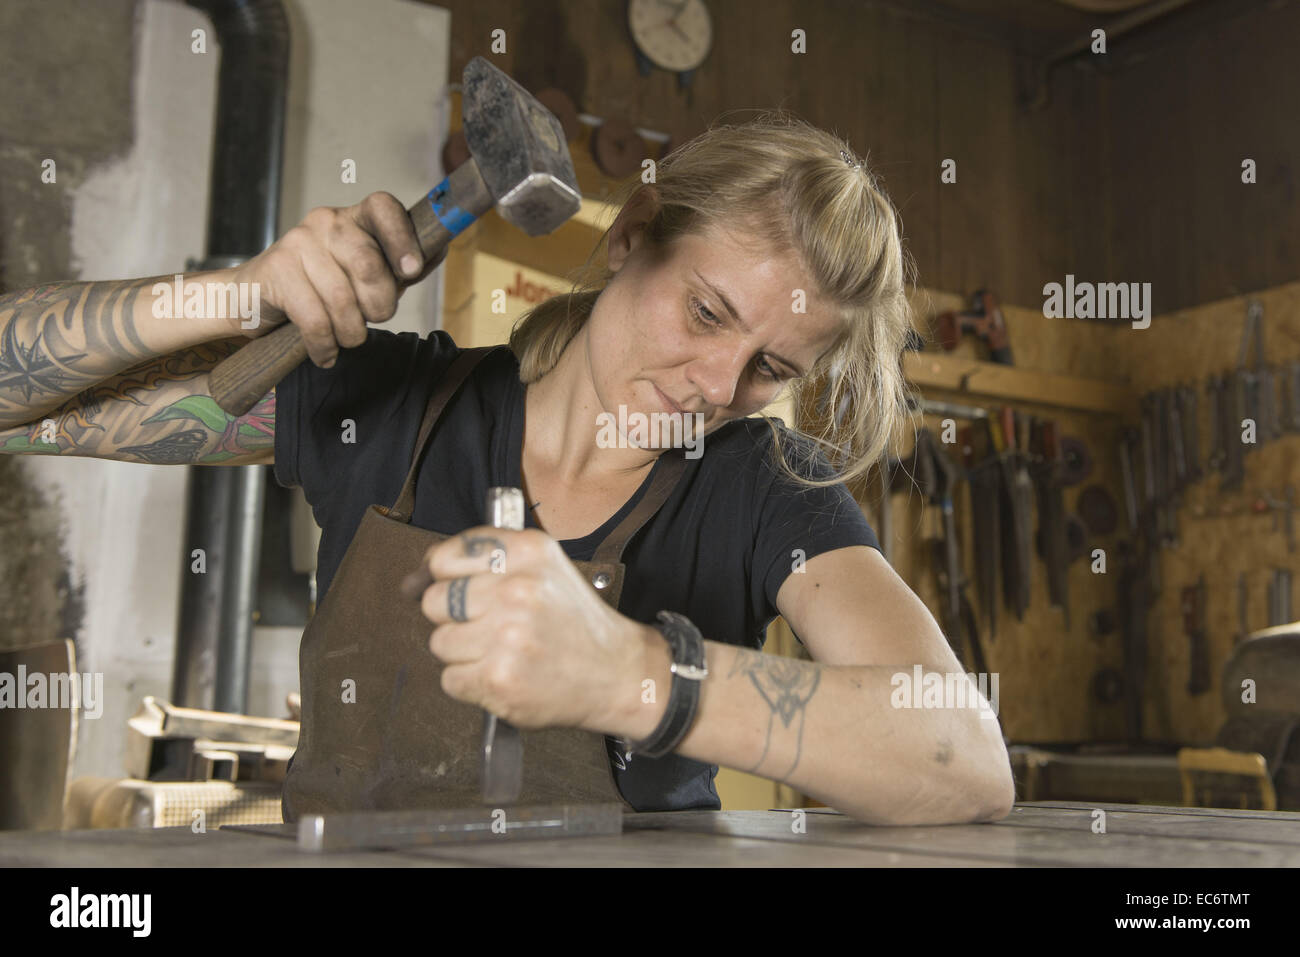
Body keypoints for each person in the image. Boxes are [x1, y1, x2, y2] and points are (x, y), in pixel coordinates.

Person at [0, 112, 1013, 825]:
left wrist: (633, 676)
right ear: (629, 238)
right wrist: (237, 296)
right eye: (708, 312)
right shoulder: (387, 405)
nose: (715, 384)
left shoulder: (762, 486)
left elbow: (963, 760)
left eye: (771, 369)